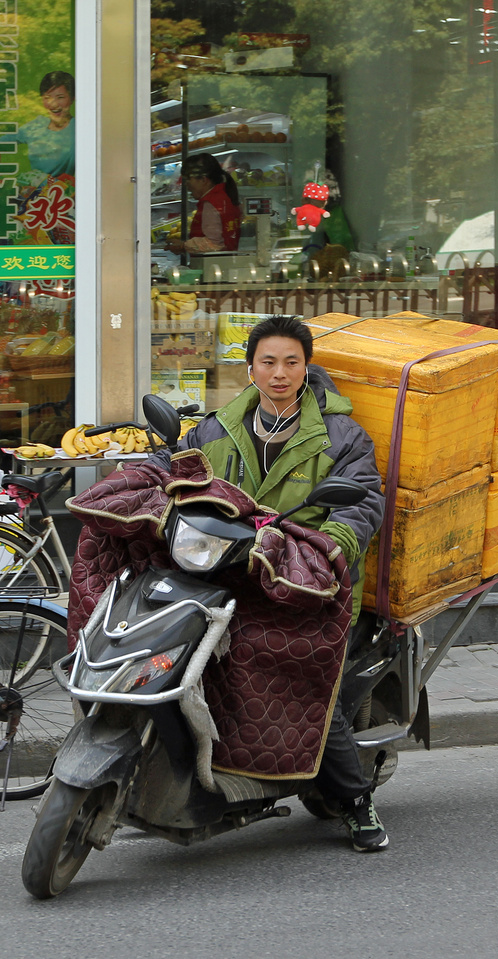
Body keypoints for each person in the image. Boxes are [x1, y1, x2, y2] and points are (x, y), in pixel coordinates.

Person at [175, 315, 389, 852]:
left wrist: (329, 545)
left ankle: (357, 803)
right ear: (250, 367)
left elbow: (363, 498)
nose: (279, 373)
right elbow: (177, 473)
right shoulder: (217, 427)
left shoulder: (341, 434)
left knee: (309, 691)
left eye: (291, 362)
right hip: (228, 575)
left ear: (306, 368)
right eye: (268, 361)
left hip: (309, 584)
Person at [166, 153, 241, 254]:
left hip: (214, 264)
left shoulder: (211, 203)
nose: (186, 184)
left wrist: (183, 246)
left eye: (188, 179)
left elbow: (214, 244)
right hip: (226, 261)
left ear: (203, 180)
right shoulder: (224, 195)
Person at [12, 71, 75, 178]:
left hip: (65, 192)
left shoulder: (80, 129)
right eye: (47, 98)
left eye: (60, 97)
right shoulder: (36, 125)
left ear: (72, 98)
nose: (53, 104)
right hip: (32, 191)